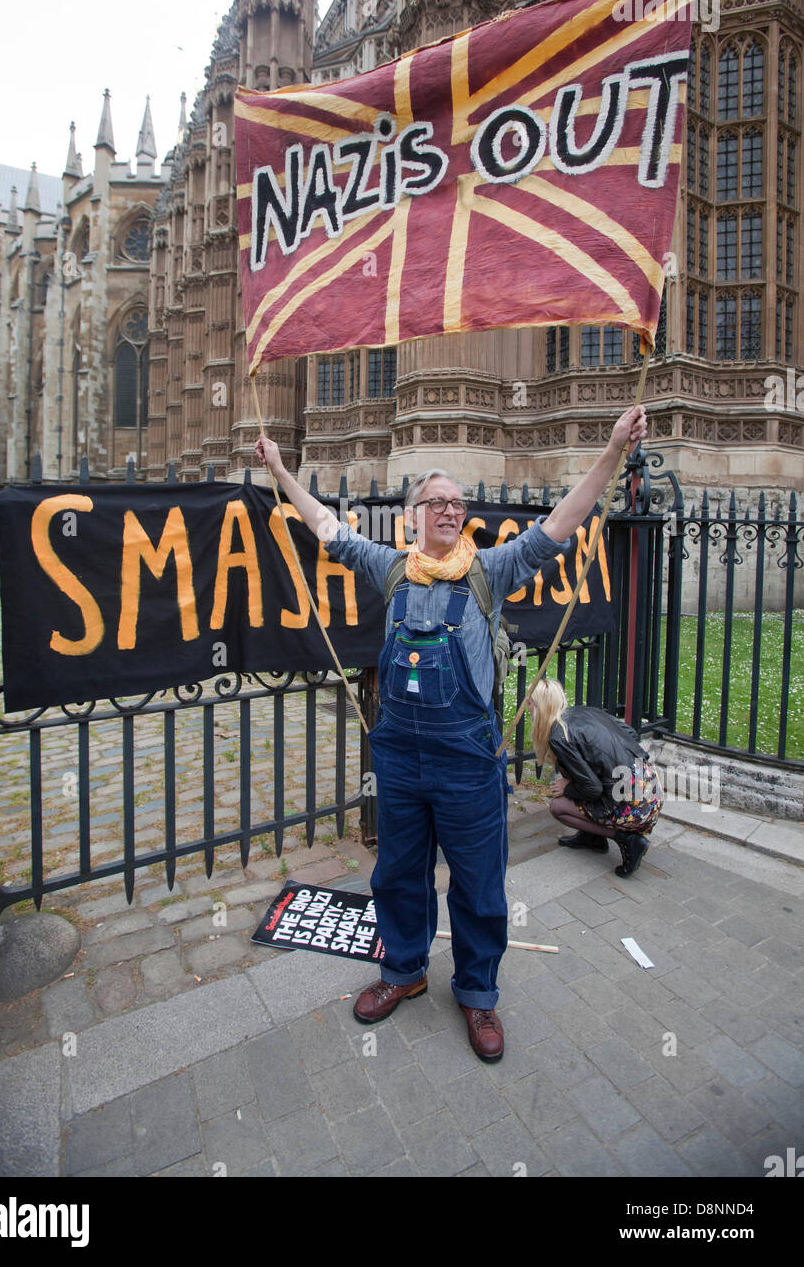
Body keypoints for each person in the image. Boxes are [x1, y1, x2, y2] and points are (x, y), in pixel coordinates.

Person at [255, 403, 646, 1062]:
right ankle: (404, 972)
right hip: (400, 758)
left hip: (468, 756)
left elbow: (560, 524)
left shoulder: (491, 571)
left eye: (456, 503)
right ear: (413, 515)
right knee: (399, 875)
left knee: (478, 883)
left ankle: (477, 993)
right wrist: (281, 471)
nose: (447, 510)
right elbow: (324, 528)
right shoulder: (388, 569)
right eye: (435, 501)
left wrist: (610, 453)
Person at [529, 677, 663, 877]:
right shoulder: (584, 712)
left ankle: (627, 839)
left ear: (540, 707)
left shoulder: (559, 736)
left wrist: (567, 788)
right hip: (650, 788)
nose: (526, 707)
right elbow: (631, 734)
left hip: (635, 805)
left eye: (530, 702)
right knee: (574, 778)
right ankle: (592, 838)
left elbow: (593, 788)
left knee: (558, 807)